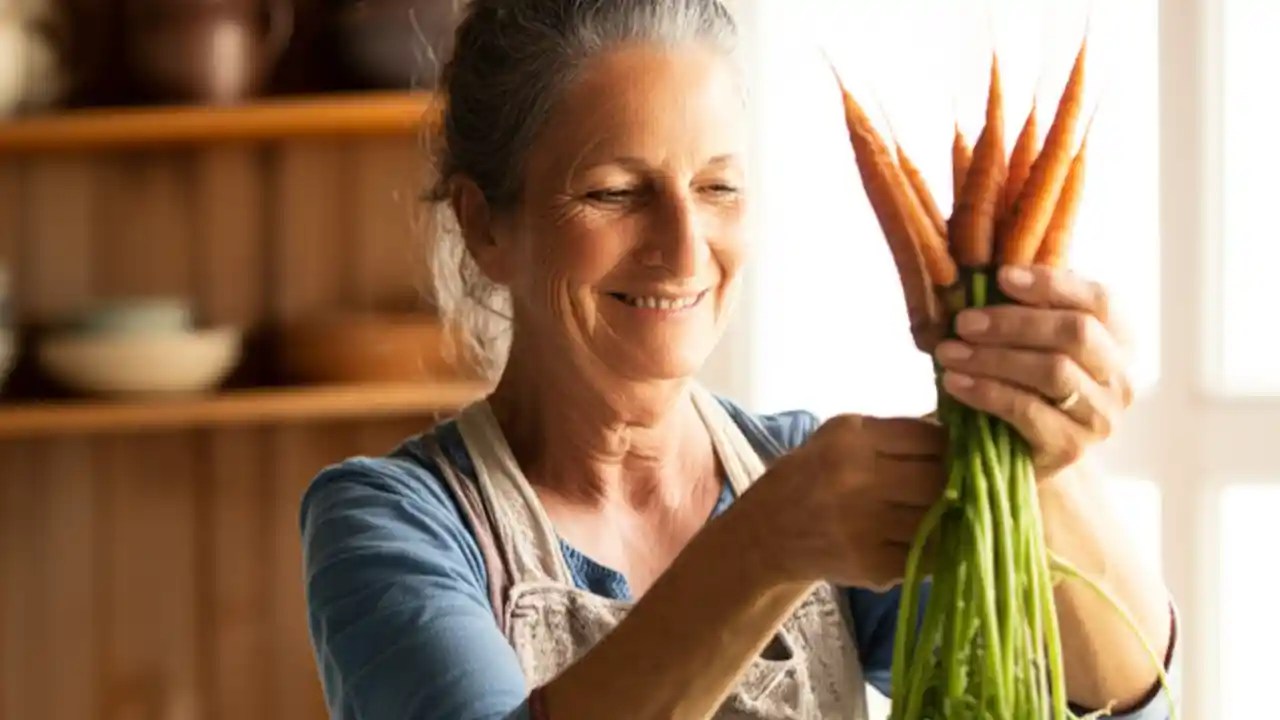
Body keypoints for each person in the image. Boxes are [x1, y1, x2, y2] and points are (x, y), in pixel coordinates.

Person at [299, 1, 1179, 718]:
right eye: (615, 193)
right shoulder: (393, 525)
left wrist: (1040, 442)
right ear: (486, 224)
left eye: (718, 187)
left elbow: (1113, 692)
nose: (684, 250)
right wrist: (762, 549)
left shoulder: (803, 467)